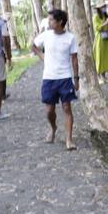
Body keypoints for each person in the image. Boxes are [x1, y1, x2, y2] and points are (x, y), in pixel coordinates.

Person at [32, 8, 80, 151]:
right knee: (49, 110)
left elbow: (74, 59)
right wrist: (43, 58)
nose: (49, 22)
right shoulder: (46, 35)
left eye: (52, 19)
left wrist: (76, 78)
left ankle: (69, 139)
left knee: (67, 108)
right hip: (49, 78)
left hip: (65, 77)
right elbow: (33, 46)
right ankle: (53, 128)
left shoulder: (70, 38)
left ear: (60, 22)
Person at [93, 4, 108, 85]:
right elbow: (97, 28)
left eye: (105, 6)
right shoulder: (96, 17)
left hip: (107, 39)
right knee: (100, 58)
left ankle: (104, 76)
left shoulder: (106, 16)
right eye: (102, 7)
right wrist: (106, 23)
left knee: (106, 58)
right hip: (100, 39)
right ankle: (98, 77)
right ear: (99, 8)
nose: (104, 8)